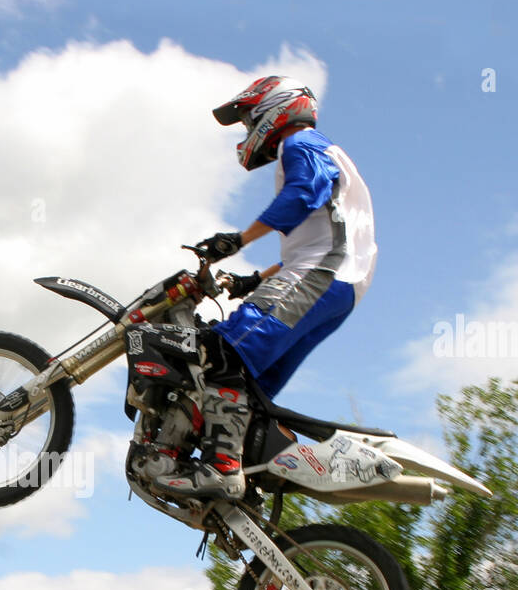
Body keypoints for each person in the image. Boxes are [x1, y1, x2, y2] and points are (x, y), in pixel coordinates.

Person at [155, 74, 378, 503]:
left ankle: (221, 470)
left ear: (271, 108)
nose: (245, 131)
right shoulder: (327, 155)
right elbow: (318, 241)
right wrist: (255, 280)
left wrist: (238, 239)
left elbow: (301, 195)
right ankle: (244, 473)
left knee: (223, 349)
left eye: (246, 120)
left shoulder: (302, 144)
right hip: (338, 283)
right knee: (251, 386)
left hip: (326, 274)